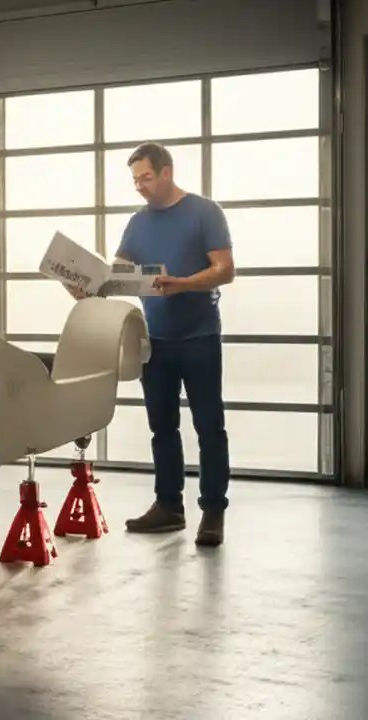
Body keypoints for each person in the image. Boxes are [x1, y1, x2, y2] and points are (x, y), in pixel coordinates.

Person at [70, 142, 235, 546]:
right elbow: (119, 275)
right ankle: (168, 507)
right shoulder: (138, 224)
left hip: (199, 337)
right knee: (162, 427)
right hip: (155, 341)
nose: (140, 186)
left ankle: (212, 511)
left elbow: (225, 270)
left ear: (166, 172)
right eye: (135, 180)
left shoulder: (204, 212)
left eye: (146, 177)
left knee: (208, 427)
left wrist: (182, 283)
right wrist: (86, 288)